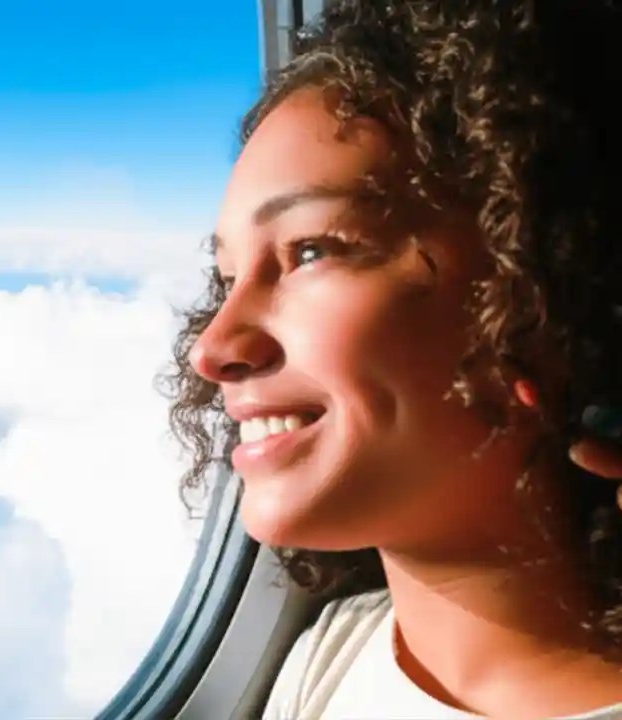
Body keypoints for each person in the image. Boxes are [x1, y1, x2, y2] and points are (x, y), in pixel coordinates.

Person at [164, 1, 622, 717]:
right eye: (226, 280)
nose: (213, 348)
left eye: (310, 250)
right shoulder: (331, 658)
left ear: (546, 287)